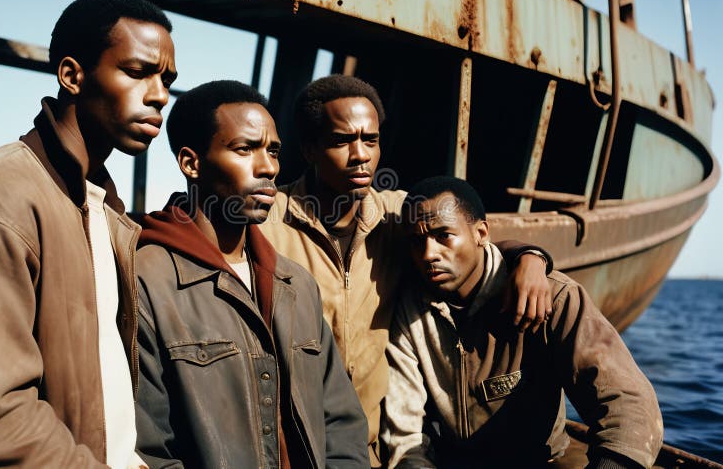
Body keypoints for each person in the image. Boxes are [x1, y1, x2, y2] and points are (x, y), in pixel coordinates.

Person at [0, 0, 177, 467]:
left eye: (167, 79)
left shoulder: (100, 209)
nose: (160, 95)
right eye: (138, 72)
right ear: (72, 76)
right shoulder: (2, 197)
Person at [258, 74, 554, 463]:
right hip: (294, 449)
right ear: (310, 148)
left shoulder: (400, 215)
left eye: (371, 140)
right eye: (343, 141)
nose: (361, 154)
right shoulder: (266, 224)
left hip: (376, 450)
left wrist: (531, 257)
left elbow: (474, 239)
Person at [135, 80, 368, 468]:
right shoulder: (148, 281)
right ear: (191, 163)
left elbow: (342, 423)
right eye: (245, 149)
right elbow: (148, 448)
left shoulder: (295, 283)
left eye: (273, 150)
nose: (268, 168)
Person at [382, 176, 663, 468]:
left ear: (481, 233)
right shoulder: (409, 312)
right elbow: (406, 434)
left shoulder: (554, 296)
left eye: (443, 236)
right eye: (417, 241)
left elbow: (630, 407)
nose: (429, 254)